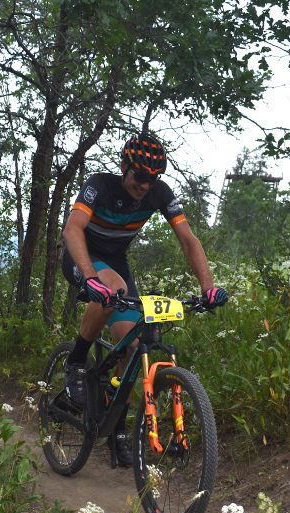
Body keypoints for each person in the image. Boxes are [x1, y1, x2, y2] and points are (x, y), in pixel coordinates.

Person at [61, 131, 229, 465]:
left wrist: (207, 287)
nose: (145, 184)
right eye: (139, 176)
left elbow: (188, 240)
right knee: (113, 289)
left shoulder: (159, 193)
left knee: (132, 348)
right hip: (82, 256)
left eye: (153, 178)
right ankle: (76, 361)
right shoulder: (100, 185)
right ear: (124, 166)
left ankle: (116, 429)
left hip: (116, 263)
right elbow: (72, 229)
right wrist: (90, 278)